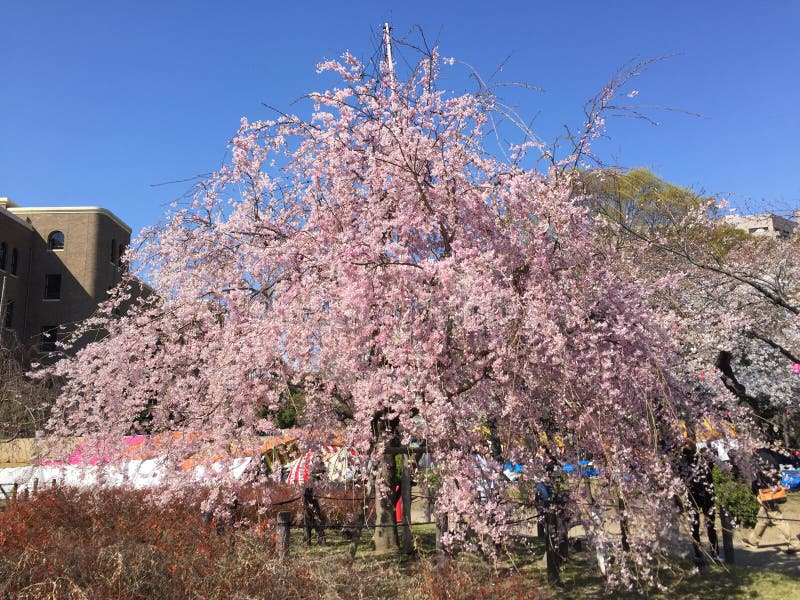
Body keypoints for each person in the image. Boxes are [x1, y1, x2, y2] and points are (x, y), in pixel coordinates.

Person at [742, 448, 800, 554]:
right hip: (774, 488)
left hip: (766, 491)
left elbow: (757, 476)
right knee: (762, 517)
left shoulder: (757, 457)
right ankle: (753, 541)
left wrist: (756, 490)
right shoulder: (770, 453)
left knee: (777, 518)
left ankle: (795, 544)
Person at [678, 440, 719, 565]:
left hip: (692, 497)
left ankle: (698, 554)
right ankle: (715, 553)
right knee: (710, 525)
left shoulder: (682, 463)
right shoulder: (706, 460)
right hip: (707, 496)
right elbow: (714, 461)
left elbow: (680, 477)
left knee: (694, 526)